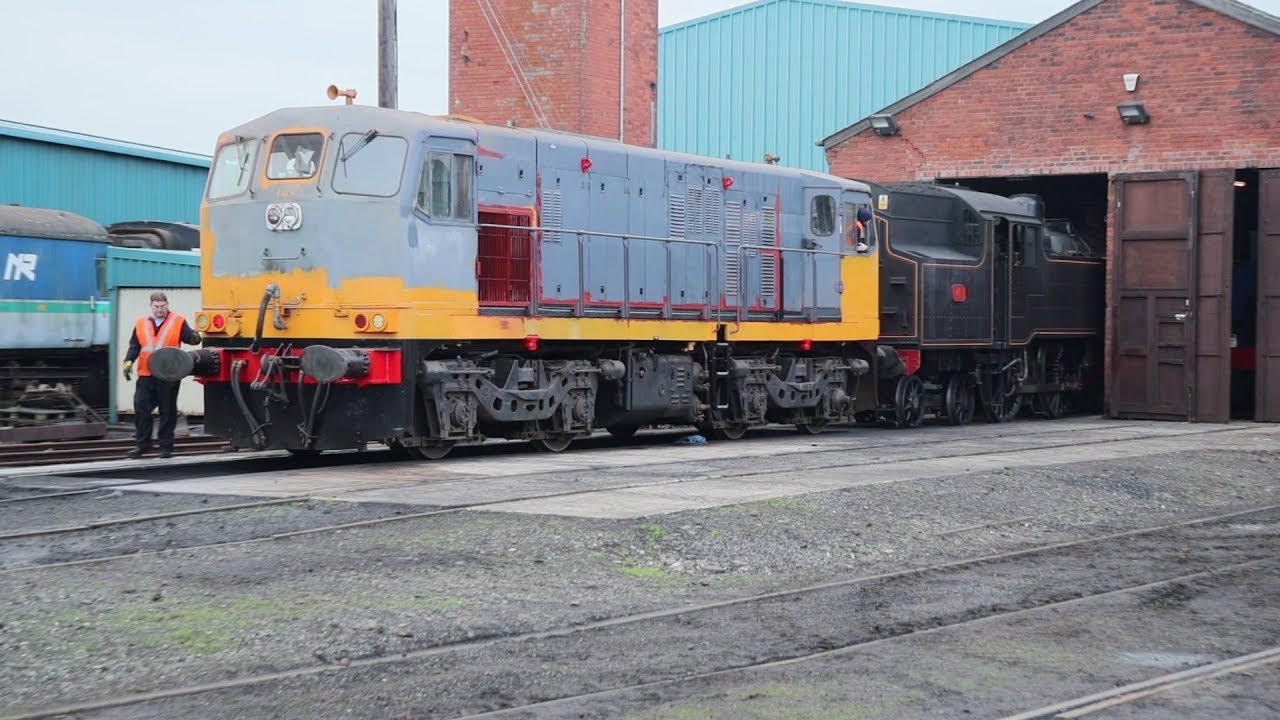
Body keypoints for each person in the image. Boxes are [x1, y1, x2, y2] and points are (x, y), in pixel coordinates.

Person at [122, 292, 202, 458]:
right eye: (157, 307)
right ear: (151, 306)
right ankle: (143, 445)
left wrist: (194, 338)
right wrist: (128, 363)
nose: (160, 309)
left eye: (163, 306)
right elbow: (134, 346)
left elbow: (189, 337)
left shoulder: (178, 321)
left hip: (169, 374)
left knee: (167, 411)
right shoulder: (140, 323)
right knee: (142, 408)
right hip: (146, 373)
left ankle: (166, 447)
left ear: (168, 304)